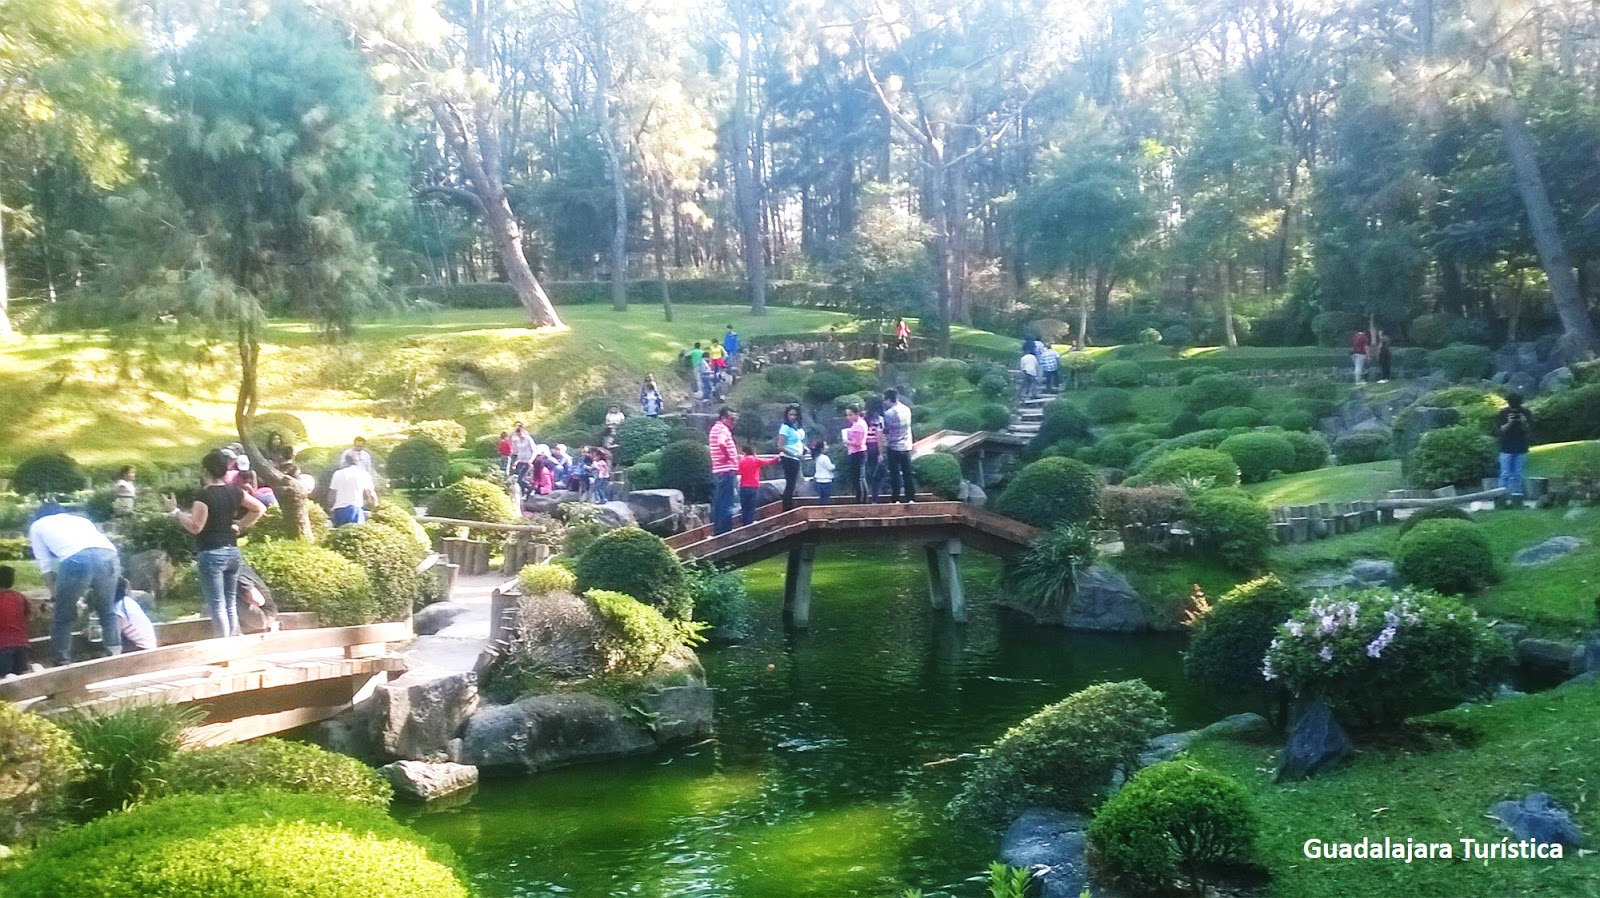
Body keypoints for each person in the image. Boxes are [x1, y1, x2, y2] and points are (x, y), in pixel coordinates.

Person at [167, 449, 266, 638]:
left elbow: (196, 526)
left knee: (217, 604)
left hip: (212, 553)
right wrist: (239, 525)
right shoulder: (235, 491)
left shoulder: (204, 496)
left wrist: (175, 512)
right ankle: (234, 641)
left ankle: (223, 648)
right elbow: (259, 508)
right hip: (233, 552)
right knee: (230, 602)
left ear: (205, 471)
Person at [30, 503, 122, 666]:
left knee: (63, 616)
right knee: (107, 610)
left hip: (76, 560)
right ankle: (115, 656)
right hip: (108, 555)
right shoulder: (81, 520)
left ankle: (62, 662)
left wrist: (54, 594)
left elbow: (45, 564)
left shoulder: (37, 525)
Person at [1497, 394, 1534, 501]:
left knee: (1518, 474)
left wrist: (1524, 421)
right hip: (1506, 447)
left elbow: (1529, 429)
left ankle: (1517, 497)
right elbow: (1500, 430)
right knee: (1505, 474)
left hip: (1521, 446)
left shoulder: (1526, 413)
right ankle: (1501, 496)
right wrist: (1509, 422)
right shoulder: (1503, 413)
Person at [709, 406, 740, 534]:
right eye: (731, 419)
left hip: (720, 470)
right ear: (724, 418)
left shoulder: (715, 428)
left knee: (720, 500)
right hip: (726, 469)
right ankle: (725, 531)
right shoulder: (722, 430)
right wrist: (729, 458)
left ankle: (718, 529)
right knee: (727, 502)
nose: (733, 422)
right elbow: (722, 443)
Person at [882, 388, 916, 503]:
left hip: (893, 447)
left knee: (895, 474)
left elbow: (885, 430)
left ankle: (896, 499)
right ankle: (910, 497)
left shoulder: (889, 414)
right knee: (907, 473)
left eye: (885, 400)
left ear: (888, 399)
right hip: (906, 445)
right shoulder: (907, 409)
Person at [327, 453, 378, 526]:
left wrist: (329, 507)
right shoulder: (363, 474)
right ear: (358, 462)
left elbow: (332, 493)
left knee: (340, 534)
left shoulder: (337, 474)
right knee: (355, 534)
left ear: (345, 461)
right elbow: (371, 494)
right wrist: (375, 508)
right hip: (355, 509)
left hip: (339, 510)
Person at [112, 579, 157, 652]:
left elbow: (114, 637)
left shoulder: (119, 608)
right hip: (149, 646)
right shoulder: (127, 601)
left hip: (142, 649)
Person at [777, 404, 807, 511]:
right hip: (788, 458)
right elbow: (780, 446)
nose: (792, 417)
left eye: (794, 414)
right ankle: (787, 508)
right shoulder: (785, 427)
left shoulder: (797, 426)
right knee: (790, 483)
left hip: (797, 458)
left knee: (794, 483)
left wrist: (805, 449)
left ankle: (790, 504)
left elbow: (799, 441)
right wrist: (795, 454)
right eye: (790, 414)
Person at [0, 565, 29, 676]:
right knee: (22, 676)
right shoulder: (19, 596)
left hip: (2, 646)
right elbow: (28, 615)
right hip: (21, 643)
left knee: (4, 679)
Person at [843, 405, 869, 504]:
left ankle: (861, 501)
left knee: (858, 478)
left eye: (850, 415)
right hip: (857, 452)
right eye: (847, 415)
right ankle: (862, 500)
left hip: (858, 453)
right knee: (860, 477)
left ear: (857, 414)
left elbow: (858, 443)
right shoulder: (857, 424)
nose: (848, 417)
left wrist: (846, 441)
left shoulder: (859, 425)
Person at [864, 396, 886, 503]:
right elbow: (879, 437)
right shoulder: (878, 419)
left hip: (863, 447)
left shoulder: (863, 417)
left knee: (863, 473)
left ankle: (863, 497)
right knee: (874, 474)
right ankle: (874, 499)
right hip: (873, 447)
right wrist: (880, 453)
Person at [811, 439, 835, 503]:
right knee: (826, 498)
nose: (827, 447)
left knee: (821, 498)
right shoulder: (825, 457)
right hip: (826, 481)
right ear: (821, 448)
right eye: (826, 445)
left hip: (818, 480)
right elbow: (830, 467)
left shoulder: (817, 457)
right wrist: (834, 466)